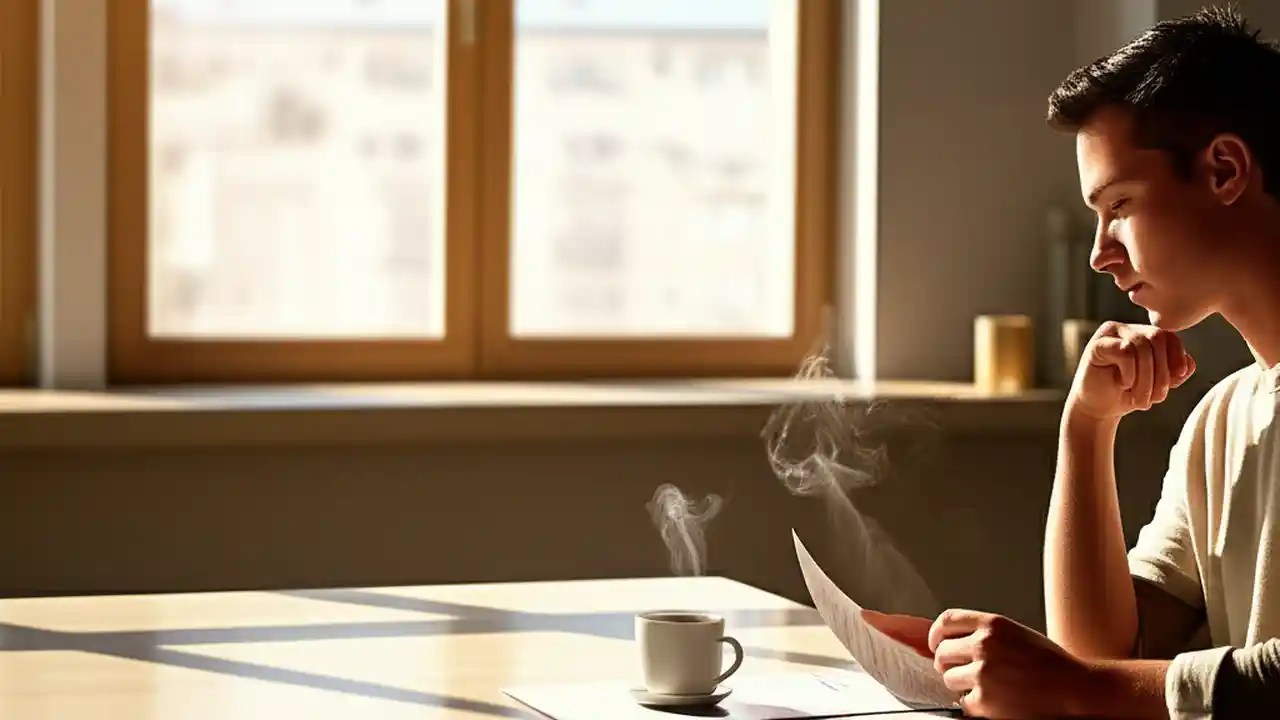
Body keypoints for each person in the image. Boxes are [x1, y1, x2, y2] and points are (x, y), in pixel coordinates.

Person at [861, 6, 1280, 718]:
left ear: (1224, 169)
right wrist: (1085, 428)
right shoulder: (1223, 420)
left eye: (1119, 205)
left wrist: (1076, 687)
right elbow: (1105, 654)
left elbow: (1094, 685)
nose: (1100, 252)